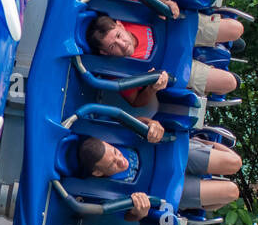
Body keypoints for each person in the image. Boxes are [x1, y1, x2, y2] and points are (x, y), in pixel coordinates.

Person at [85, 15, 239, 107]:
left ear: (120, 25)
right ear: (104, 53)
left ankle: (208, 51)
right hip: (178, 70)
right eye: (113, 46)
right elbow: (136, 101)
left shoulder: (128, 14)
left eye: (118, 36)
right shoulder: (116, 71)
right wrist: (152, 89)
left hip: (177, 31)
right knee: (229, 83)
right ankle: (208, 61)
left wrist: (162, 2)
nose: (122, 44)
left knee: (236, 29)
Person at [75, 127, 240, 213]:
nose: (121, 161)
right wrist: (140, 211)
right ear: (98, 173)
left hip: (170, 154)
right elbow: (131, 217)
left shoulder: (114, 138)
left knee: (235, 163)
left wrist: (153, 126)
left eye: (116, 153)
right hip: (169, 189)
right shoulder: (104, 193)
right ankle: (195, 204)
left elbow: (139, 122)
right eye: (112, 164)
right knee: (232, 192)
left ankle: (199, 141)